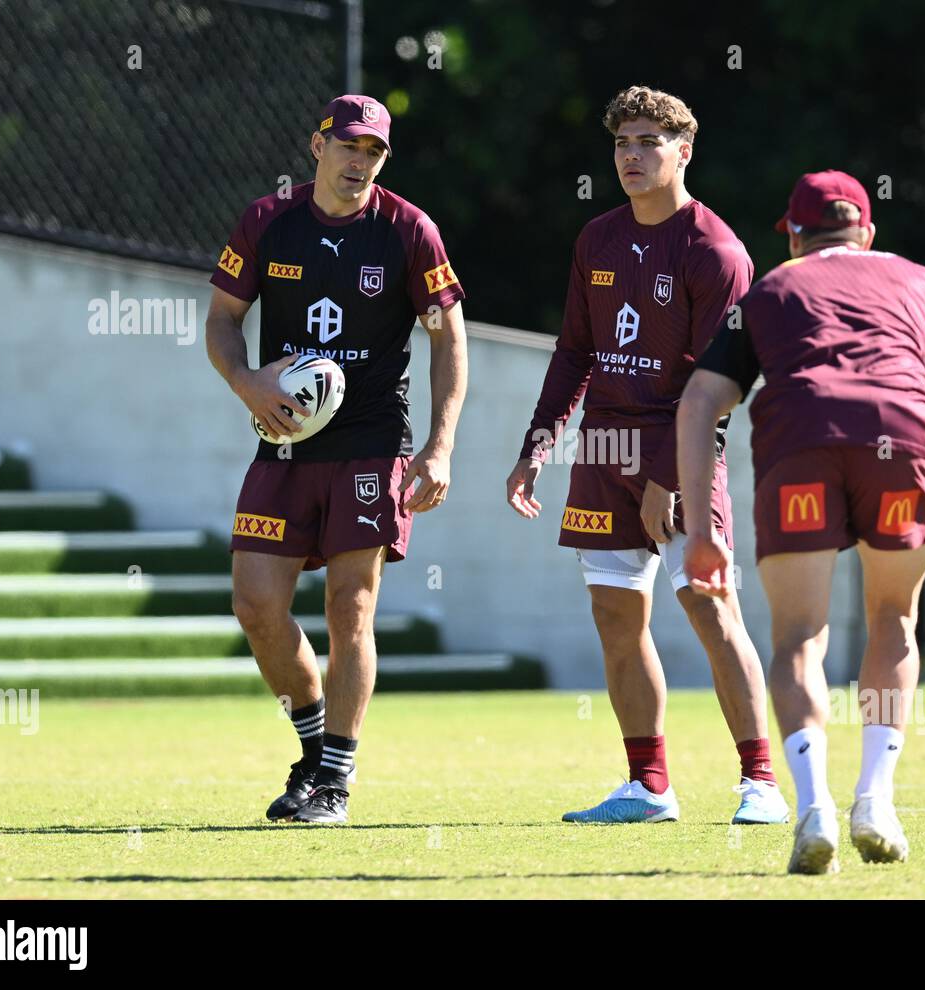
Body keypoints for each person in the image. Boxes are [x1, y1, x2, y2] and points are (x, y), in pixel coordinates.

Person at [677, 170, 925, 871]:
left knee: (799, 634)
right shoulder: (921, 280)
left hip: (801, 436)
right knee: (892, 617)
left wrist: (704, 530)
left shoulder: (770, 289)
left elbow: (698, 400)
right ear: (867, 229)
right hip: (902, 436)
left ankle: (814, 808)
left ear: (796, 236)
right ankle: (876, 799)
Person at [506, 86, 787, 826]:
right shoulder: (595, 239)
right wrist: (538, 445)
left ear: (682, 151)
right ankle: (648, 785)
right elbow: (574, 353)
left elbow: (719, 386)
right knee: (614, 616)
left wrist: (668, 477)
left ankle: (761, 782)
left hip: (684, 449)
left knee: (709, 604)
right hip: (603, 447)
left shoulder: (717, 250)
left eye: (648, 143)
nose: (632, 156)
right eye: (623, 144)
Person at [205, 95, 467, 824]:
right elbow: (223, 321)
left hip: (372, 442)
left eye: (374, 153)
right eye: (349, 147)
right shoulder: (267, 220)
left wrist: (440, 447)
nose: (360, 163)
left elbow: (449, 338)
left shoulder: (409, 230)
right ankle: (314, 746)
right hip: (284, 440)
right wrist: (247, 381)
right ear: (317, 145)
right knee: (255, 606)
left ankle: (336, 781)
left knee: (350, 606)